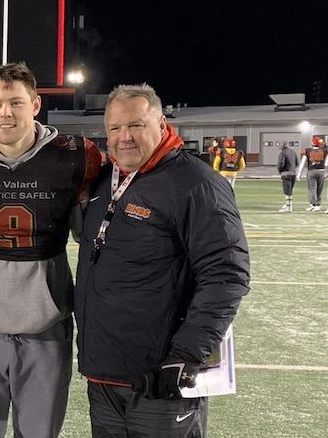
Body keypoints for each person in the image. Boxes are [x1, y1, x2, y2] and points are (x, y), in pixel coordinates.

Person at [75, 83, 250, 438]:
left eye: (136, 125)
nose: (124, 137)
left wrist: (185, 355)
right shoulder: (103, 182)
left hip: (161, 378)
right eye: (115, 128)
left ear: (162, 124)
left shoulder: (195, 183)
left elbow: (227, 274)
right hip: (103, 374)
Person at [0, 62, 102, 438]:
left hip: (47, 322)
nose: (5, 113)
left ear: (36, 104)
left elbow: (96, 233)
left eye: (15, 102)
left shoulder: (75, 157)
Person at [302, 136, 327, 211]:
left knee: (312, 188)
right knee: (319, 189)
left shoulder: (308, 150)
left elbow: (303, 162)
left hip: (311, 171)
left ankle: (314, 204)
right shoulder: (324, 150)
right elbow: (326, 162)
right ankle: (318, 205)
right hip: (321, 171)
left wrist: (299, 173)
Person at [277, 141, 299, 212]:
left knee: (287, 191)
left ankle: (288, 207)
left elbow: (281, 163)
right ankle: (288, 205)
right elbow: (297, 162)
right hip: (293, 173)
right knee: (290, 191)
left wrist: (280, 171)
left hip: (285, 174)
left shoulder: (282, 153)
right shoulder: (293, 152)